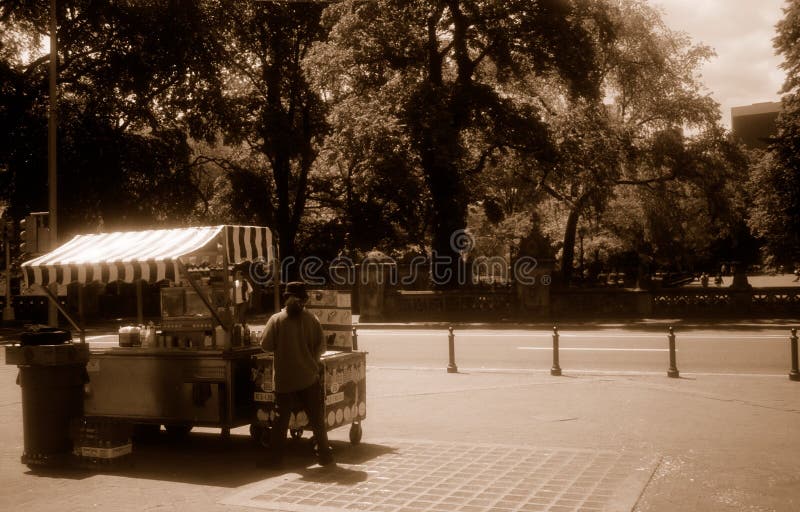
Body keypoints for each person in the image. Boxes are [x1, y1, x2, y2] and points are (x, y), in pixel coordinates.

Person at [258, 281, 333, 468]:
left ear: (286, 299)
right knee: (317, 420)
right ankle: (325, 456)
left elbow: (265, 345)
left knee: (280, 423)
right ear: (304, 300)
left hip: (285, 380)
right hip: (309, 378)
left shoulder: (276, 320)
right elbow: (322, 348)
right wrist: (310, 359)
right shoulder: (312, 319)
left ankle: (275, 461)